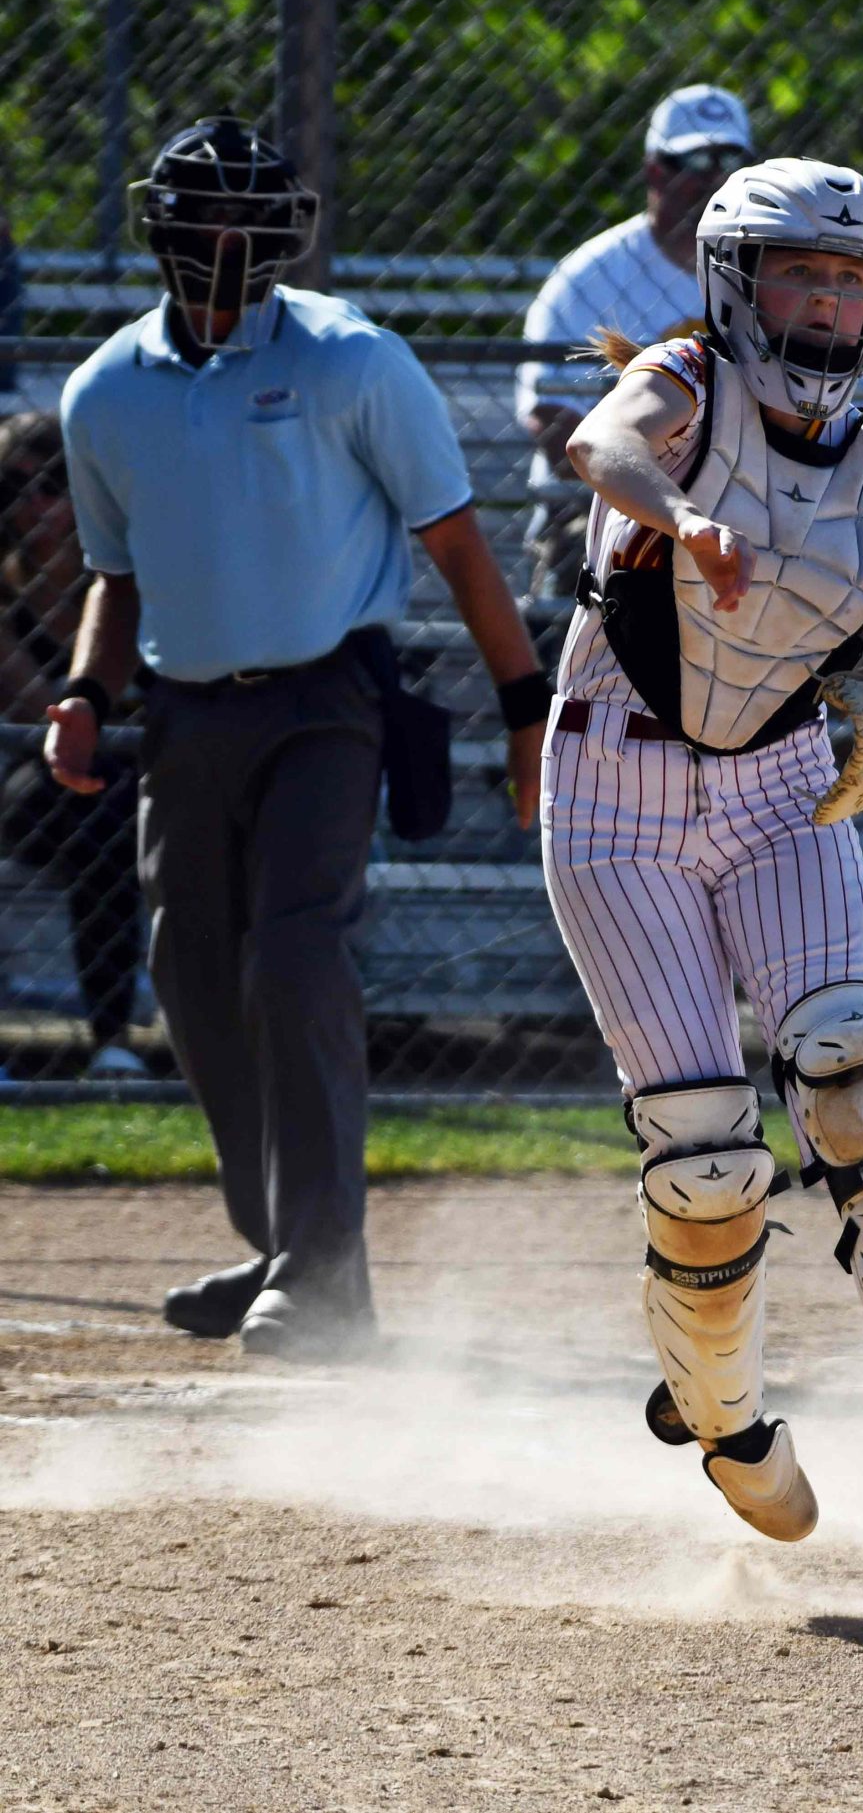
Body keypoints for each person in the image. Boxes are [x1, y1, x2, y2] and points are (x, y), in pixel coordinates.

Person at [548, 156, 863, 1540]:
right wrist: (687, 514)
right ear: (737, 283)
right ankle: (723, 1420)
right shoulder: (686, 385)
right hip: (613, 788)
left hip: (779, 786)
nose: (826, 302)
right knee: (706, 1157)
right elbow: (605, 448)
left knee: (858, 1055)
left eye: (850, 280)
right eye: (801, 274)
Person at [46, 118, 547, 1359]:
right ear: (161, 233)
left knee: (295, 955)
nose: (228, 243)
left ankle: (321, 1275)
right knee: (191, 977)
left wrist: (528, 710)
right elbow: (114, 575)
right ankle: (283, 1245)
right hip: (181, 713)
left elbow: (459, 547)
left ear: (286, 235)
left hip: (329, 702)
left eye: (253, 221)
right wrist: (84, 694)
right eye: (205, 220)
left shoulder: (353, 361)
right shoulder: (104, 392)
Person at [518, 85, 756, 606]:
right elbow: (556, 425)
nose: (714, 178)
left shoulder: (769, 274)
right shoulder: (591, 277)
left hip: (754, 497)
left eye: (732, 162)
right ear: (655, 170)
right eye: (694, 160)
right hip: (608, 503)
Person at [0, 413, 146, 1079]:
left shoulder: (121, 579)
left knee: (104, 816)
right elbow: (46, 715)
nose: (35, 504)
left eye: (54, 484)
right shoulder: (4, 589)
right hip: (31, 777)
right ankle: (112, 1033)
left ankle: (112, 1039)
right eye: (14, 486)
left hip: (124, 780)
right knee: (96, 813)